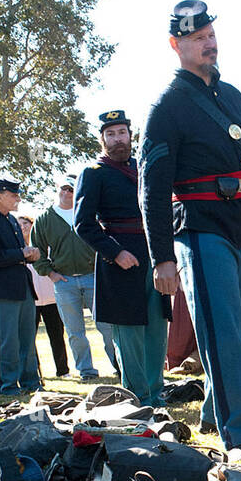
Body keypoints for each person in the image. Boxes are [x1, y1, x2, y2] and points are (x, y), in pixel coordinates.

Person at [140, 0, 241, 460]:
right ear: (176, 45)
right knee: (222, 332)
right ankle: (240, 435)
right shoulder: (166, 106)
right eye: (196, 38)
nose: (208, 43)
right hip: (203, 227)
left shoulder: (233, 96)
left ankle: (215, 409)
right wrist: (162, 258)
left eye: (210, 34)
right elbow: (152, 187)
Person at [75, 111, 169, 407]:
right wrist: (115, 252)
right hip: (119, 262)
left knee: (156, 328)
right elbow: (83, 224)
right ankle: (138, 397)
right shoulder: (93, 173)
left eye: (122, 132)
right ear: (102, 139)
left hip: (153, 255)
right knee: (129, 335)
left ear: (131, 135)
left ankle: (156, 392)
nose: (118, 139)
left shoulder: (145, 169)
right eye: (111, 134)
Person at [31, 177, 117, 380]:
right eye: (64, 188)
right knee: (74, 331)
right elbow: (37, 251)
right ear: (57, 189)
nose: (67, 193)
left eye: (72, 189)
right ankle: (86, 371)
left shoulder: (89, 213)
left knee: (107, 327)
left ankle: (119, 365)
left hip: (93, 277)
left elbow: (106, 240)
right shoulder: (44, 218)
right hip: (65, 282)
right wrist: (51, 274)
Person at [0, 177, 42, 395]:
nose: (18, 199)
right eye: (13, 194)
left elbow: (18, 253)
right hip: (3, 288)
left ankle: (31, 382)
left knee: (27, 338)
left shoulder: (12, 221)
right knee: (8, 341)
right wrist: (21, 253)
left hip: (23, 285)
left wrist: (31, 254)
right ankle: (8, 385)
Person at [19, 212, 68, 378]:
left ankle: (63, 371)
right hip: (31, 301)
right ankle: (36, 372)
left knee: (57, 336)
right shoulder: (18, 250)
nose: (23, 227)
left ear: (31, 225)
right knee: (28, 338)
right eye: (19, 225)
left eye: (25, 223)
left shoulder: (43, 246)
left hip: (51, 298)